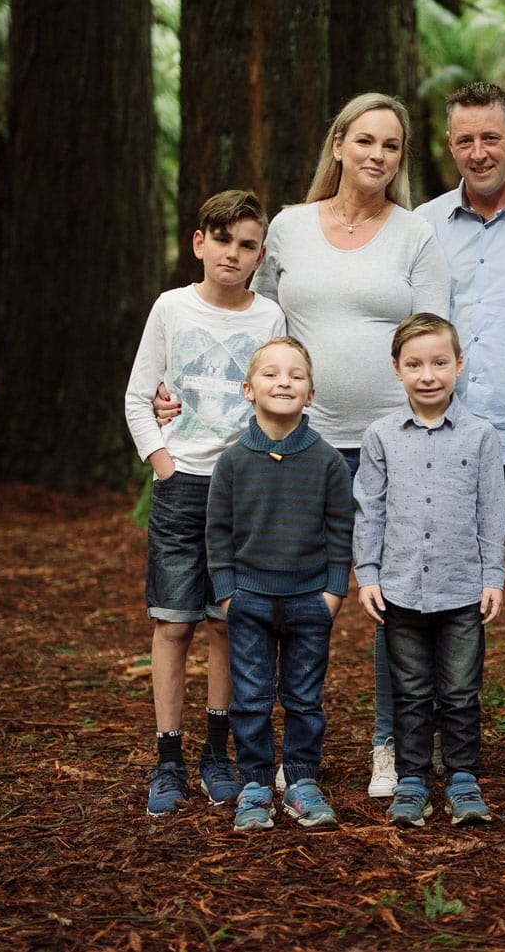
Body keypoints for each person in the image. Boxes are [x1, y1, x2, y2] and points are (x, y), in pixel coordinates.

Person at [251, 92, 450, 799]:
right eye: (364, 140)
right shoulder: (288, 228)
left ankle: (390, 747)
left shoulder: (415, 235)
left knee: (393, 602)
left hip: (396, 445)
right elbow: (260, 324)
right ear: (337, 144)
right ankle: (294, 752)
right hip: (301, 446)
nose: (377, 155)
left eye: (391, 145)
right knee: (300, 601)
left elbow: (435, 335)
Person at [414, 82, 505, 786]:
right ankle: (444, 737)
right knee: (442, 595)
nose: (478, 152)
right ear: (450, 145)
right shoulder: (422, 225)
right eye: (465, 140)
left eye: (491, 137)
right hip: (445, 439)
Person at [123, 190, 285, 816]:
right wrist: (163, 463)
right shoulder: (172, 308)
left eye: (246, 245)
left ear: (259, 256)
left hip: (243, 487)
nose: (232, 253)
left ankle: (218, 752)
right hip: (182, 483)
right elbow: (140, 396)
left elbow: (276, 396)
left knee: (227, 621)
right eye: (222, 240)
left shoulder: (267, 319)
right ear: (199, 243)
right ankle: (168, 758)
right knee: (174, 622)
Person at [353, 314, 505, 828]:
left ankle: (463, 778)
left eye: (440, 363)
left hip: (462, 591)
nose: (428, 375)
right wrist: (368, 574)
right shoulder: (380, 437)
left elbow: (492, 510)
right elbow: (370, 509)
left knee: (461, 691)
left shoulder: (482, 436)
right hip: (399, 591)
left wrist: (493, 576)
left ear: (459, 365)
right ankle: (413, 778)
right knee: (411, 691)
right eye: (414, 364)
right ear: (396, 369)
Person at [207, 337, 353, 832]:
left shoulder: (328, 462)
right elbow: (218, 533)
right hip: (248, 599)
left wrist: (333, 591)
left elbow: (340, 530)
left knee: (303, 697)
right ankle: (254, 782)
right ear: (248, 390)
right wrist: (228, 592)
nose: (284, 382)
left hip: (310, 600)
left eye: (295, 375)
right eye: (271, 374)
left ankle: (301, 781)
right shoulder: (231, 463)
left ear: (311, 394)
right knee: (249, 696)